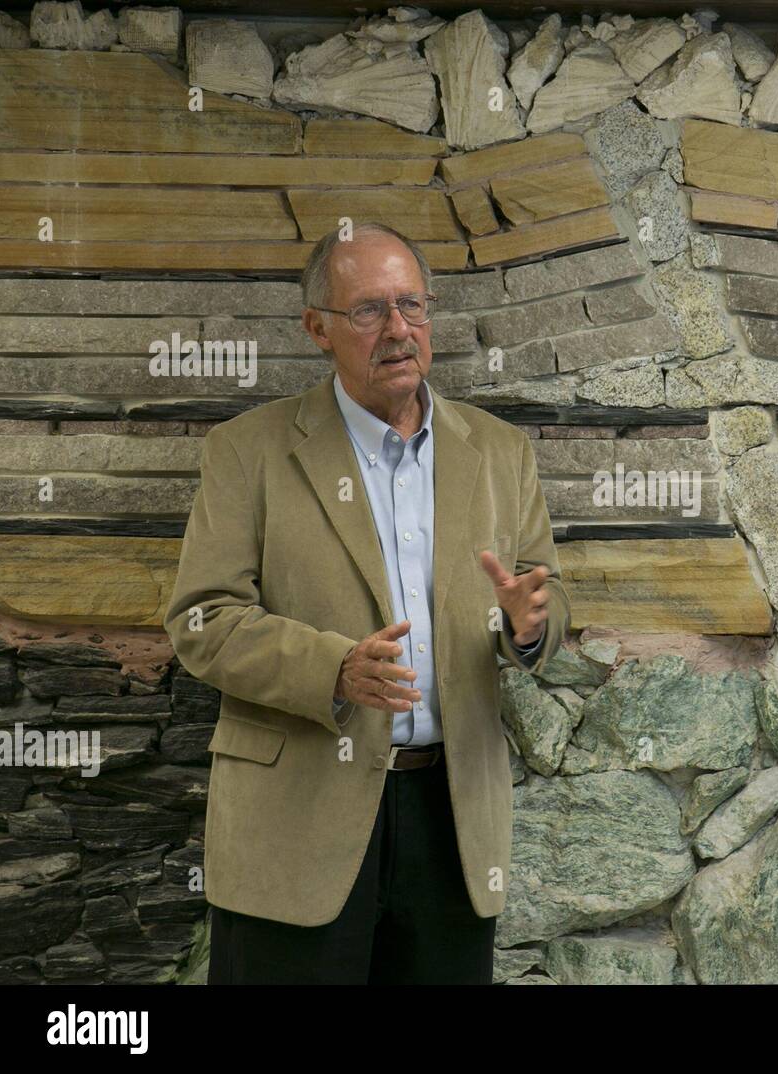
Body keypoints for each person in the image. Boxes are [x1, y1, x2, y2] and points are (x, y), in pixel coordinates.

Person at [163, 221, 569, 984]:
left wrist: (529, 625)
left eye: (412, 306)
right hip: (296, 816)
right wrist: (334, 669)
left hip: (451, 819)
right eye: (369, 310)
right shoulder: (247, 451)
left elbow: (544, 595)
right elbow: (201, 620)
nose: (398, 330)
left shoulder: (500, 451)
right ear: (317, 328)